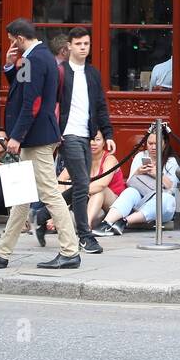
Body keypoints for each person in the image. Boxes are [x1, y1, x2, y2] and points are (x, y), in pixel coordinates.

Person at [0, 18, 80, 269]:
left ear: (20, 38)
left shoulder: (35, 60)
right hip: (35, 136)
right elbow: (21, 88)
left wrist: (16, 137)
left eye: (12, 40)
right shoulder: (36, 57)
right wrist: (10, 66)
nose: (12, 44)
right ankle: (2, 252)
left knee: (50, 194)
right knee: (21, 196)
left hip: (36, 138)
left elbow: (30, 103)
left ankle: (70, 252)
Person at [51, 25, 115, 254]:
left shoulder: (92, 73)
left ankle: (40, 215)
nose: (83, 48)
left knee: (80, 184)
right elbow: (51, 105)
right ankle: (85, 235)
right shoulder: (59, 72)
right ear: (69, 47)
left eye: (86, 44)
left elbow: (100, 104)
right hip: (68, 135)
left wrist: (107, 134)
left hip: (87, 134)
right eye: (78, 44)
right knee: (81, 184)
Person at [94, 129, 179, 235]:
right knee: (130, 191)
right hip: (141, 199)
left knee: (165, 198)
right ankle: (106, 223)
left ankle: (124, 222)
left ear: (164, 144)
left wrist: (158, 174)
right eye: (150, 143)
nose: (153, 147)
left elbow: (173, 188)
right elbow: (130, 182)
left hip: (163, 206)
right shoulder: (140, 156)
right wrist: (138, 171)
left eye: (157, 144)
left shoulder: (171, 162)